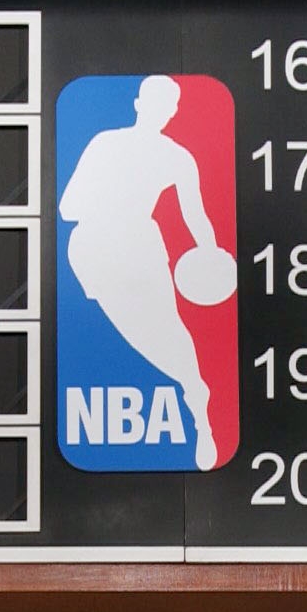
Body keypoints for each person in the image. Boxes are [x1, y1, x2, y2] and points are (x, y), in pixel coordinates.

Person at [58, 74, 231, 468]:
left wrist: (211, 255)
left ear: (170, 113)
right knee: (143, 333)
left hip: (138, 246)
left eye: (167, 106)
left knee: (166, 329)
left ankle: (198, 404)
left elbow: (197, 217)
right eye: (158, 103)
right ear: (139, 104)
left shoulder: (177, 157)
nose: (162, 111)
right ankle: (194, 391)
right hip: (96, 250)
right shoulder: (105, 144)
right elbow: (67, 207)